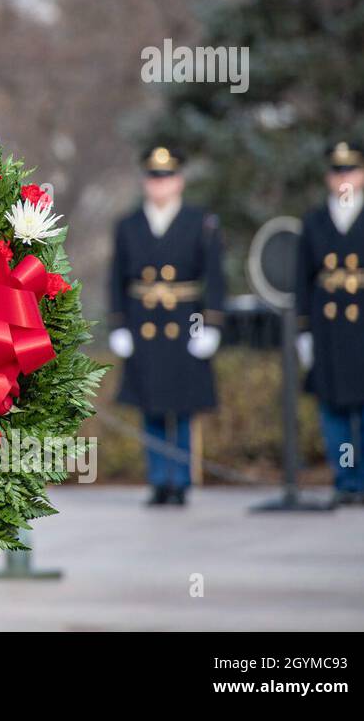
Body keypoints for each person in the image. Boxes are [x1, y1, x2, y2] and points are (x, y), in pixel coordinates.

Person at [107, 147, 225, 506]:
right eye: (154, 177)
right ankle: (159, 480)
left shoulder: (200, 221)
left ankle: (182, 480)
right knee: (151, 405)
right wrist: (118, 325)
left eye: (167, 177)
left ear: (179, 181)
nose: (160, 184)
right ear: (146, 182)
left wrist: (212, 324)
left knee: (183, 405)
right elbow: (116, 280)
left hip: (184, 319)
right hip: (143, 321)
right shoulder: (128, 224)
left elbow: (215, 278)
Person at [294, 141, 364, 506]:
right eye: (338, 172)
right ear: (329, 178)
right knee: (333, 409)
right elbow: (303, 281)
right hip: (328, 329)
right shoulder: (314, 221)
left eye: (351, 171)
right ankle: (344, 478)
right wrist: (304, 330)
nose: (344, 179)